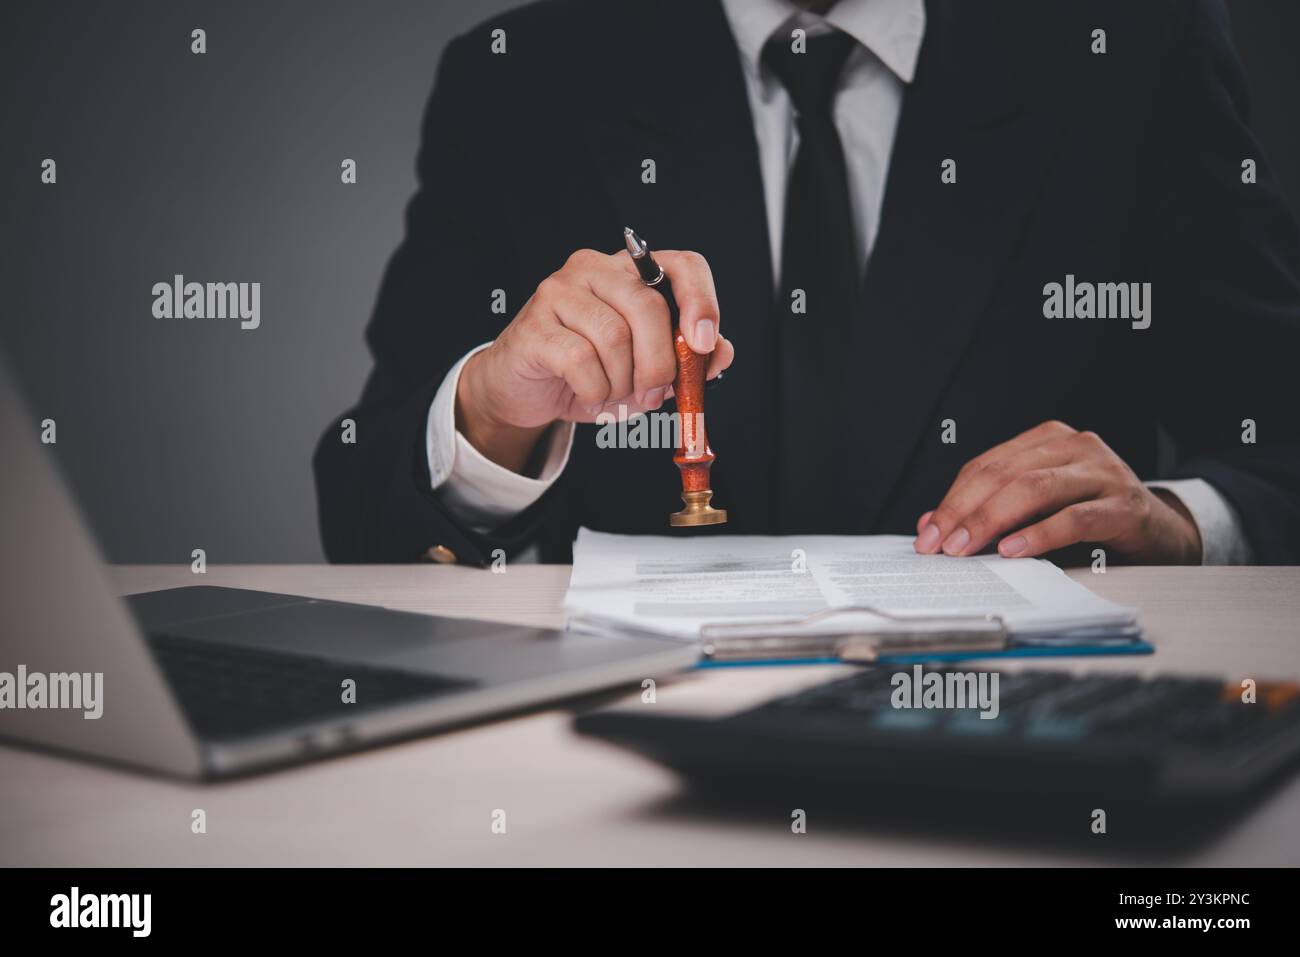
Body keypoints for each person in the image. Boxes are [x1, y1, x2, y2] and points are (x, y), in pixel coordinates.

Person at [314, 0, 1300, 566]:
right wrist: (489, 412)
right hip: (621, 789)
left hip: (1026, 750)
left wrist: (1177, 526)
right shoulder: (520, 77)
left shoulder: (1132, 49)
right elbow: (367, 511)